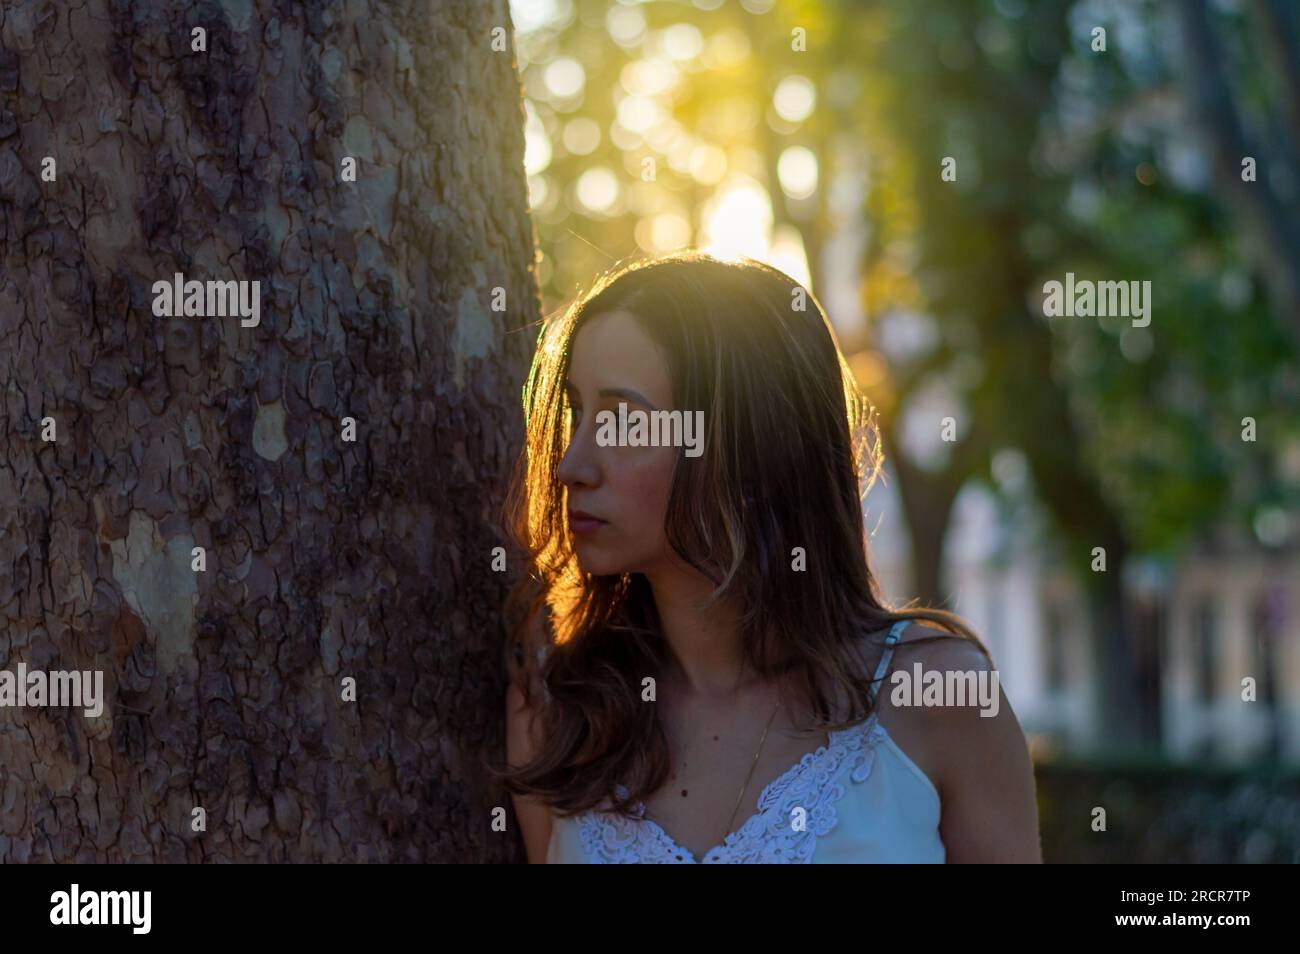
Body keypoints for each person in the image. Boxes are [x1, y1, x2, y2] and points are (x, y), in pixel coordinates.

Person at [488, 251, 1041, 863]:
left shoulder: (938, 697)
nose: (571, 466)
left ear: (748, 448)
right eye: (576, 412)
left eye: (623, 421)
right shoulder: (558, 712)